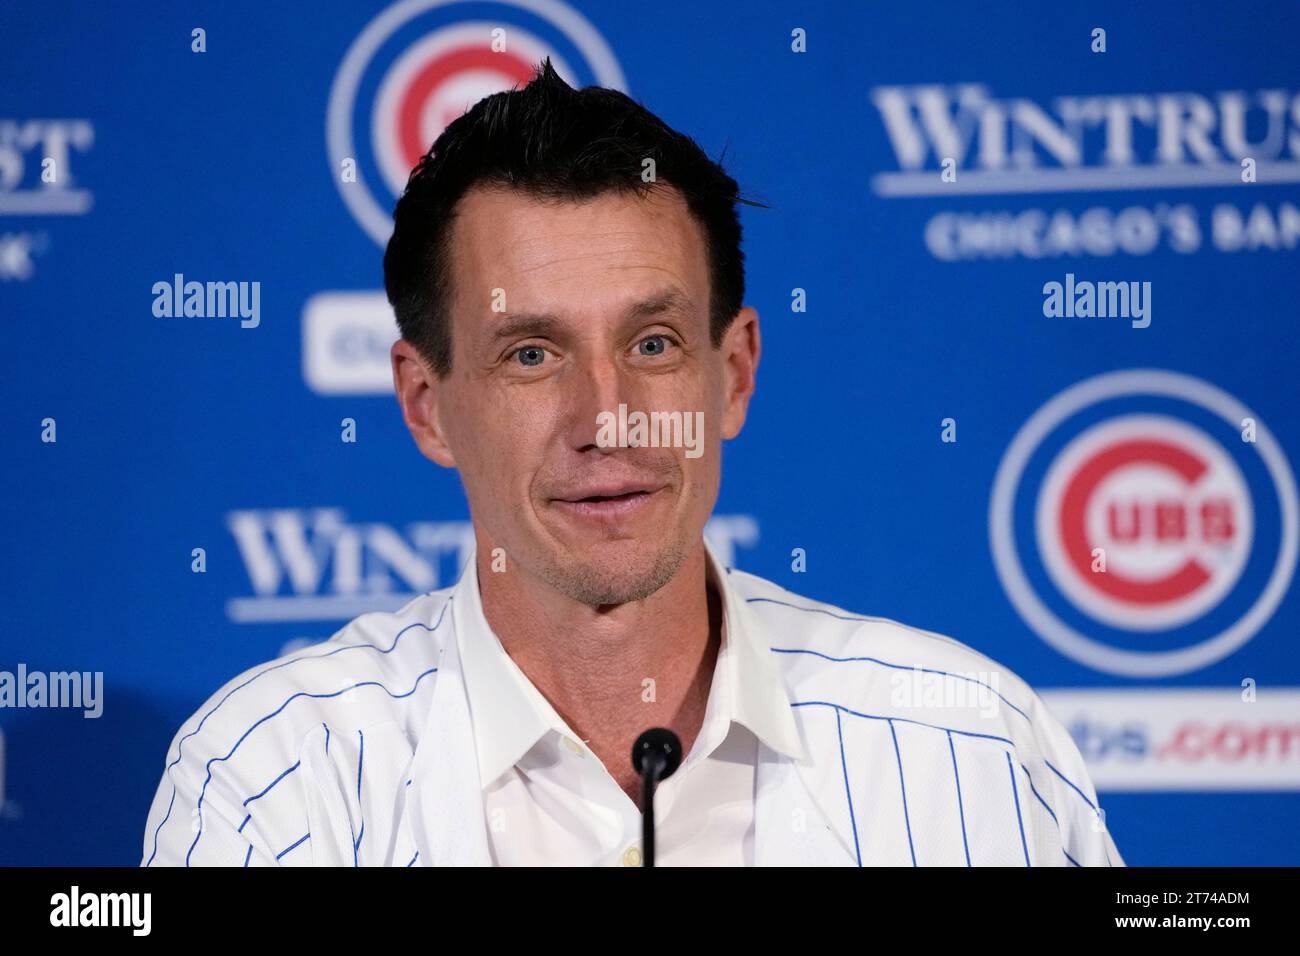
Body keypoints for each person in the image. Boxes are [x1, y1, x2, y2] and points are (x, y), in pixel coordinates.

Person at [141, 59, 1123, 867]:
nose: (606, 418)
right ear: (426, 405)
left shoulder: (978, 750)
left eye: (652, 344)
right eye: (530, 354)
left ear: (731, 374)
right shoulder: (274, 782)